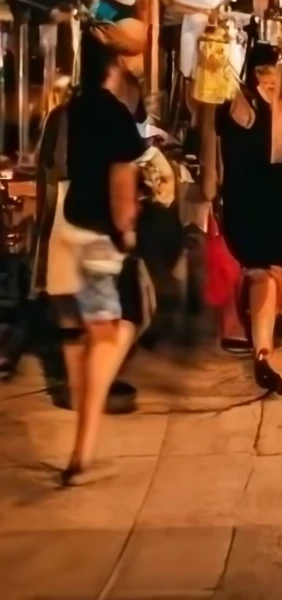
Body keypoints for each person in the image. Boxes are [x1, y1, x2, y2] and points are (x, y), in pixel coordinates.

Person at [59, 30, 147, 485]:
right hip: (99, 235)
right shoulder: (115, 114)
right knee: (112, 332)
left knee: (88, 332)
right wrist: (126, 231)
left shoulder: (77, 106)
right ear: (114, 65)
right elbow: (121, 182)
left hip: (71, 226)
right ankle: (82, 450)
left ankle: (84, 437)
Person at [201, 42, 282, 397]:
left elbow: (211, 174)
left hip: (239, 202)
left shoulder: (225, 106)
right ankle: (261, 347)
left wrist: (214, 196)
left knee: (255, 273)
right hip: (271, 201)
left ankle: (259, 347)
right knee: (268, 275)